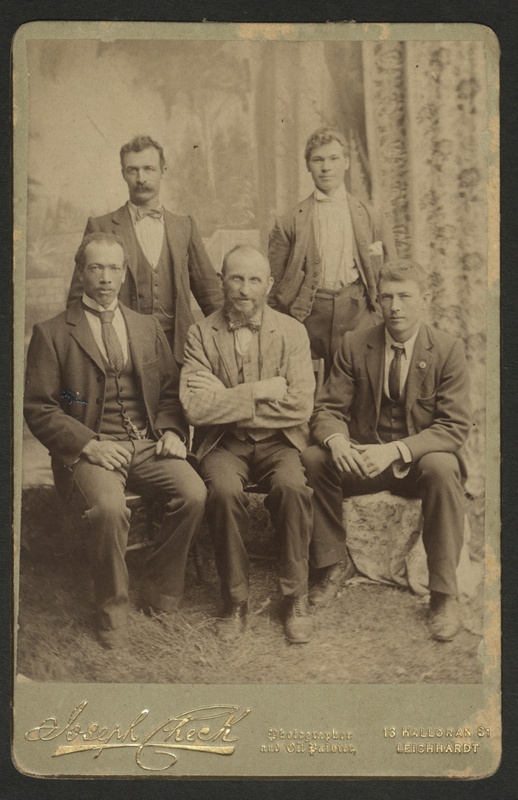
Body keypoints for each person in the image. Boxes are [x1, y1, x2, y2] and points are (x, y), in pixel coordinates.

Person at [25, 232, 207, 649]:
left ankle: (160, 590)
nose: (105, 277)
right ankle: (111, 607)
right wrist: (88, 444)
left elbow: (168, 392)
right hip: (89, 451)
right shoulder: (53, 333)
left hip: (145, 443)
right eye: (95, 267)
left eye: (113, 268)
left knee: (194, 492)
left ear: (124, 274)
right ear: (81, 271)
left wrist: (174, 433)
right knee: (108, 508)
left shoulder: (145, 327)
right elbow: (40, 407)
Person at [301, 261, 471, 642]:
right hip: (364, 460)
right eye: (388, 297)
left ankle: (444, 595)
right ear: (378, 301)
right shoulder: (354, 344)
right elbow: (327, 409)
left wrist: (396, 450)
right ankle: (330, 565)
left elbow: (454, 427)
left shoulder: (447, 350)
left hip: (417, 465)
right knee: (314, 459)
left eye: (405, 297)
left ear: (424, 301)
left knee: (444, 467)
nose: (396, 306)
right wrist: (338, 441)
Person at [180, 245, 315, 644]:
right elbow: (193, 408)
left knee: (292, 488)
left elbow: (299, 406)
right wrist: (257, 391)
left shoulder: (292, 332)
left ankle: (295, 598)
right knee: (221, 490)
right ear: (222, 281)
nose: (244, 289)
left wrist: (226, 398)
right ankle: (234, 600)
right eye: (236, 278)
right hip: (225, 445)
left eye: (254, 279)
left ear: (269, 285)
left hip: (279, 443)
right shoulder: (200, 333)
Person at [66, 135, 223, 364]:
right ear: (123, 174)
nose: (141, 178)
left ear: (163, 170)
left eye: (149, 169)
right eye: (133, 170)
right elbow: (78, 298)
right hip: (122, 350)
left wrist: (228, 341)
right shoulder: (101, 226)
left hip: (178, 350)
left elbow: (210, 294)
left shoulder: (184, 226)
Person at [268, 127, 397, 374]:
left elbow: (392, 275)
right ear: (308, 165)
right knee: (311, 386)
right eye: (318, 160)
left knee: (360, 383)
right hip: (308, 315)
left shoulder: (371, 216)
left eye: (333, 159)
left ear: (346, 163)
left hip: (358, 313)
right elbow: (273, 287)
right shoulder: (289, 221)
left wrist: (378, 316)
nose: (326, 167)